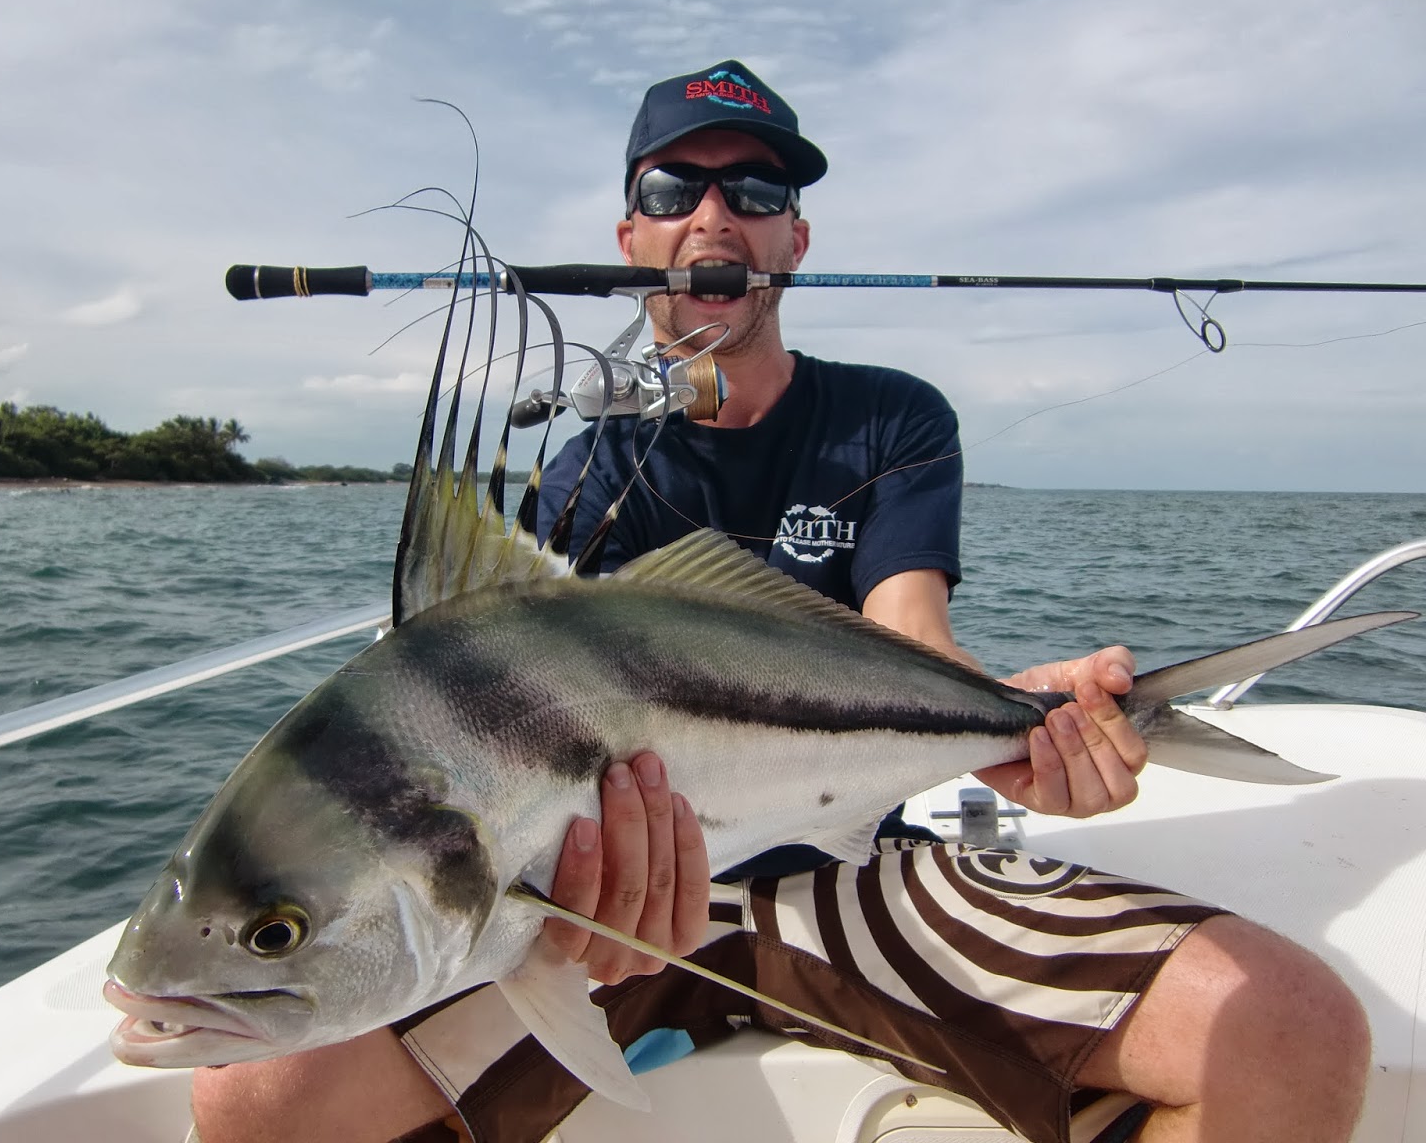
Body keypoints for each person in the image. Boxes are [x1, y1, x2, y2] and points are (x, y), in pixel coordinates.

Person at [192, 61, 1370, 1143]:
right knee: (259, 1098)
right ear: (631, 233)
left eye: (754, 187)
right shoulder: (587, 474)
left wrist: (1023, 722)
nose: (715, 213)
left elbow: (907, 643)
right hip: (621, 910)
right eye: (674, 186)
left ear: (794, 238)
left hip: (851, 862)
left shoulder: (890, 417)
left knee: (1288, 1029)